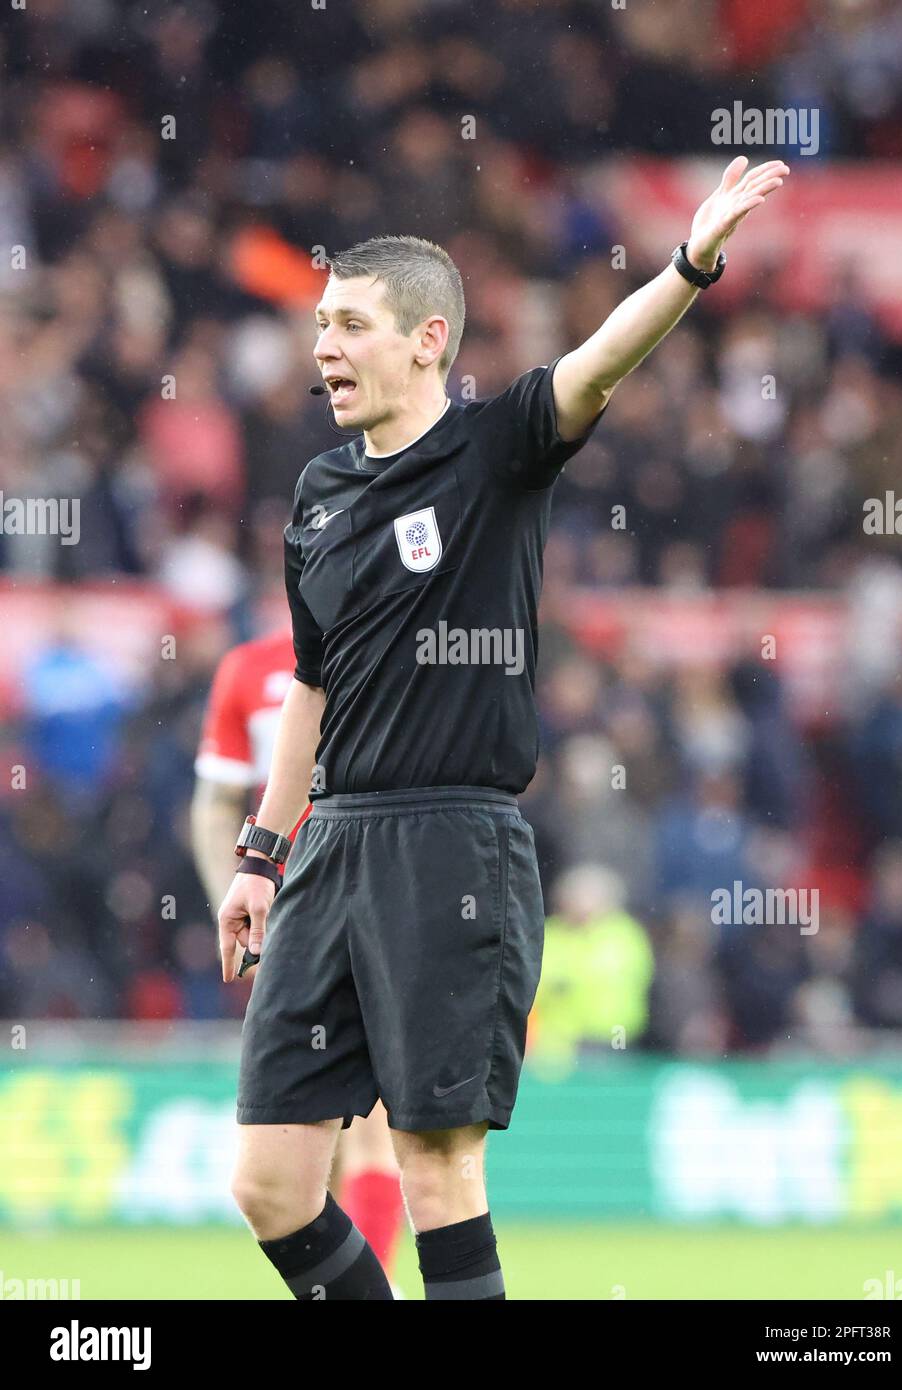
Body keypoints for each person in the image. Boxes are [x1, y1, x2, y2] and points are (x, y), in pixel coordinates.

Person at [216, 155, 790, 1301]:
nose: (322, 346)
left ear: (427, 339)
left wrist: (688, 263)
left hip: (451, 844)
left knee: (435, 1168)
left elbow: (601, 360)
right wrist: (258, 854)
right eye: (319, 325)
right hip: (331, 846)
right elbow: (312, 691)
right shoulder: (318, 495)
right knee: (270, 1181)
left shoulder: (497, 450)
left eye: (349, 326)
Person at [191, 630, 405, 1283]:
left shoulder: (272, 664)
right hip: (320, 898)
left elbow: (214, 805)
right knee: (338, 1127)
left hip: (331, 896)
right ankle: (370, 1283)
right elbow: (215, 803)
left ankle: (372, 1284)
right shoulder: (377, 649)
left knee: (344, 1124)